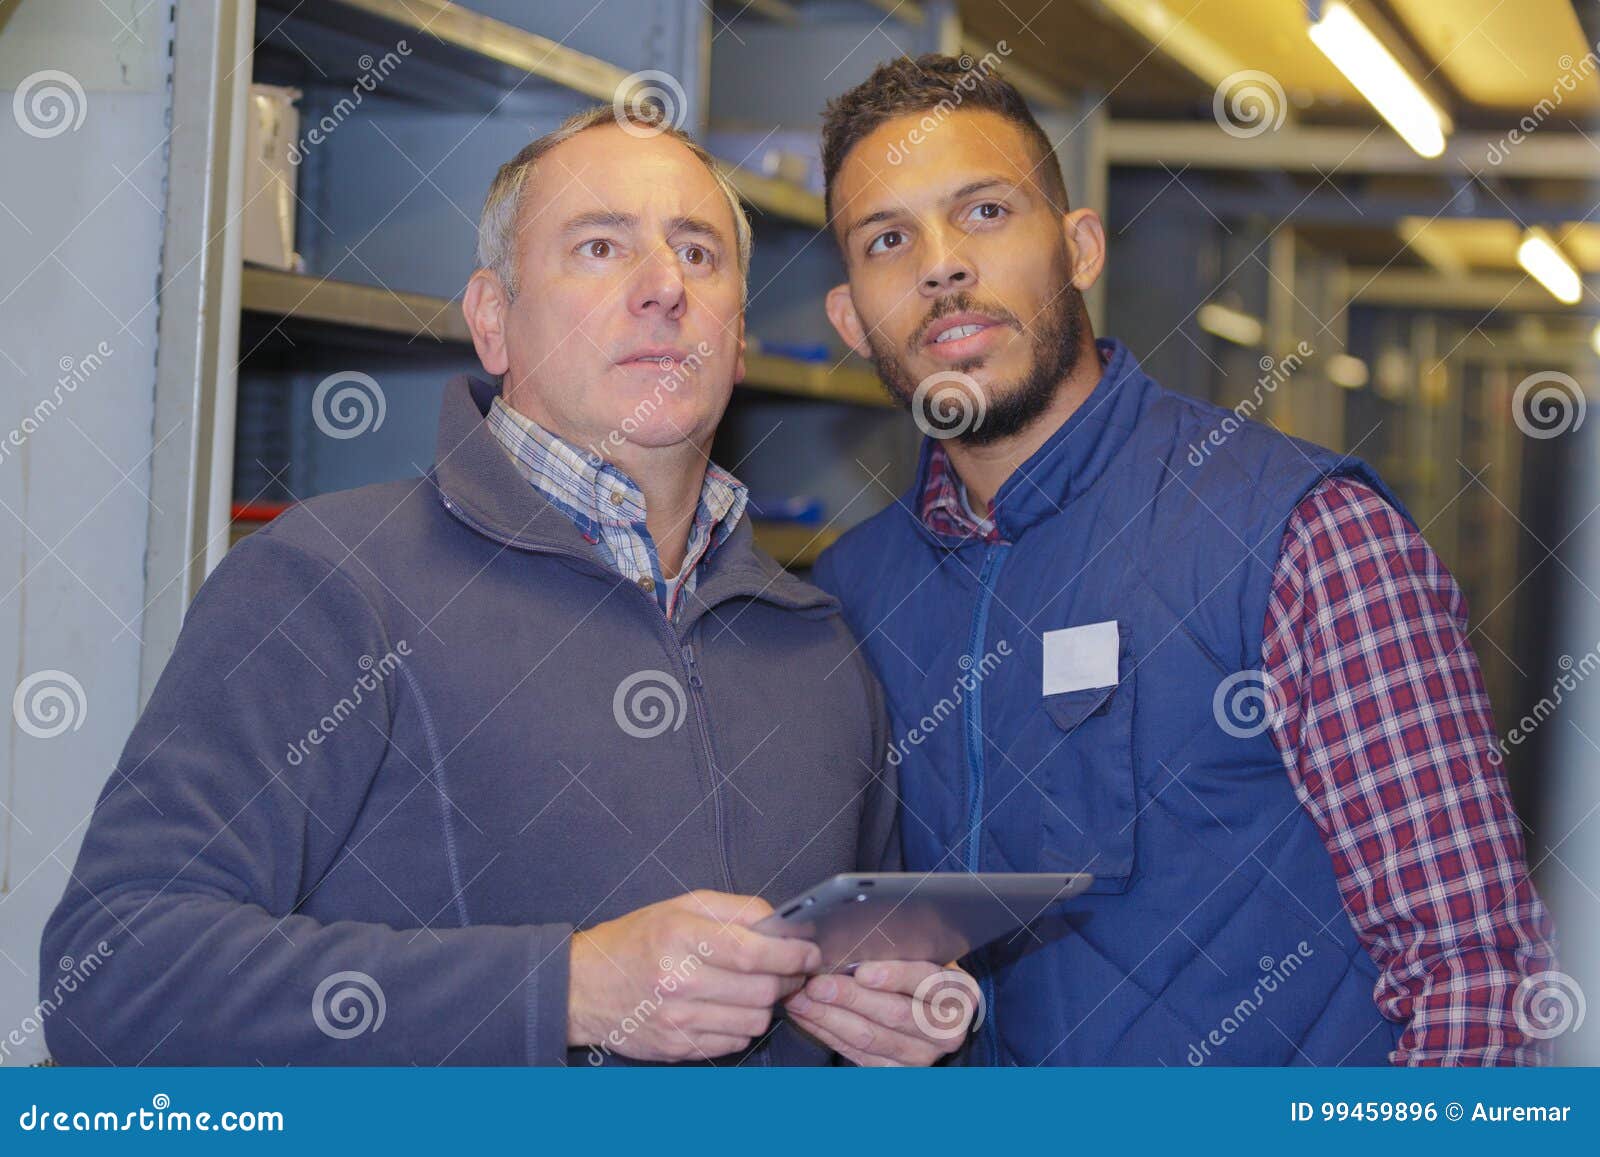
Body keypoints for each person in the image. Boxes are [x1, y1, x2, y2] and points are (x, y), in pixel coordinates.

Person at [40, 105, 969, 1067]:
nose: (664, 287)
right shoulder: (329, 583)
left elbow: (856, 994)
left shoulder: (816, 646)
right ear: (493, 321)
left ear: (737, 337)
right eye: (600, 247)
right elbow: (116, 974)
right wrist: (566, 989)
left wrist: (894, 1027)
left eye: (699, 254)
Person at [803, 54, 1560, 1066]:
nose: (941, 267)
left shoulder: (1306, 537)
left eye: (984, 211)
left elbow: (1477, 974)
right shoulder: (851, 594)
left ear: (1079, 248)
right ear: (850, 317)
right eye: (888, 239)